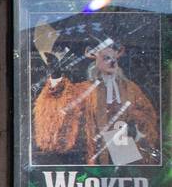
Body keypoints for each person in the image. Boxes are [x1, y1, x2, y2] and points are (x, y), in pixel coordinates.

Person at [33, 35, 159, 165]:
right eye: (107, 58)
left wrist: (135, 127)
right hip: (95, 150)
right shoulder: (86, 89)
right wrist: (56, 75)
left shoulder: (130, 88)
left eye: (115, 59)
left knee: (124, 178)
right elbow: (63, 101)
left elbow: (147, 115)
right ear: (97, 61)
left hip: (124, 147)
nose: (113, 62)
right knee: (98, 179)